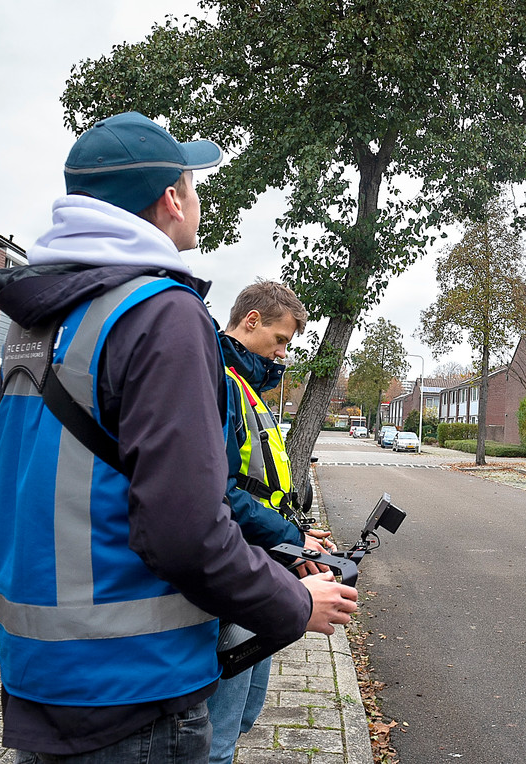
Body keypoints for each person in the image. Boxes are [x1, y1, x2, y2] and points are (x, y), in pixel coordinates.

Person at [0, 111, 358, 763]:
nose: (198, 199)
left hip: (37, 684)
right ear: (171, 199)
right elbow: (185, 531)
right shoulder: (162, 314)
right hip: (136, 691)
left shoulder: (33, 326)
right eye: (195, 183)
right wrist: (293, 601)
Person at [208, 280, 333, 764]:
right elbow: (221, 492)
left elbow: (260, 480)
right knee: (220, 723)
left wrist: (297, 534)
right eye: (281, 340)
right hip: (235, 564)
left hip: (263, 557)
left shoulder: (248, 387)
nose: (283, 354)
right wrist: (292, 537)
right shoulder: (218, 382)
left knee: (244, 711)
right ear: (251, 321)